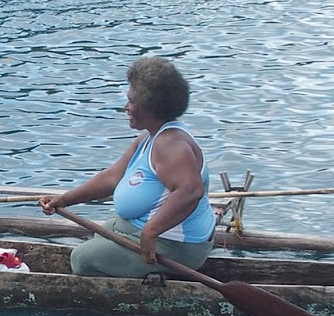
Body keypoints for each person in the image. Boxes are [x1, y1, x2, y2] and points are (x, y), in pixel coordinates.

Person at [39, 57, 215, 277]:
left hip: (177, 245)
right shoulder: (149, 137)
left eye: (132, 102)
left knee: (82, 259)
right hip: (143, 228)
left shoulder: (171, 146)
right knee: (102, 233)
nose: (126, 107)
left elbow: (190, 191)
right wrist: (65, 199)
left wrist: (151, 232)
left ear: (151, 107)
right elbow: (113, 177)